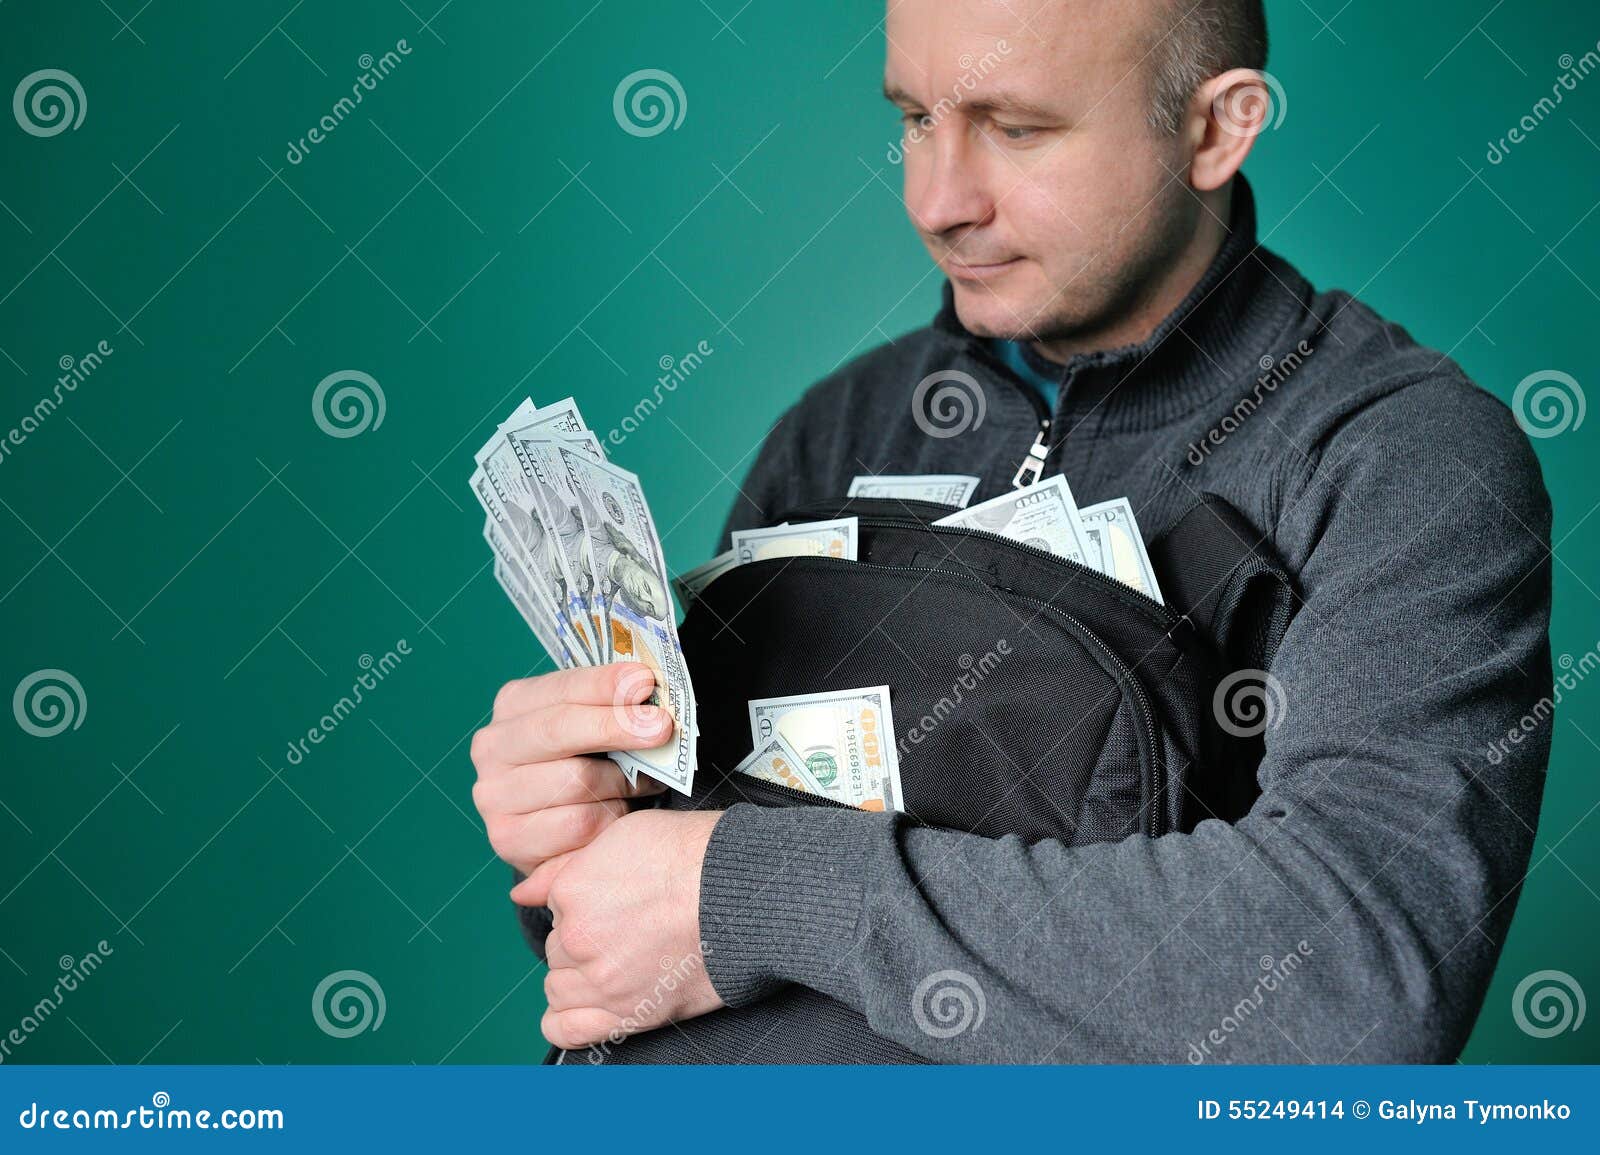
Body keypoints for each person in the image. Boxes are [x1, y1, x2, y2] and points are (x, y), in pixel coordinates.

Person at [468, 0, 1552, 1062]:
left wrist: (751, 889)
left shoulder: (1400, 459)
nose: (937, 201)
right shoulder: (838, 426)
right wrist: (591, 836)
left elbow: (1354, 984)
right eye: (914, 118)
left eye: (1017, 128)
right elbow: (672, 939)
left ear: (1214, 127)